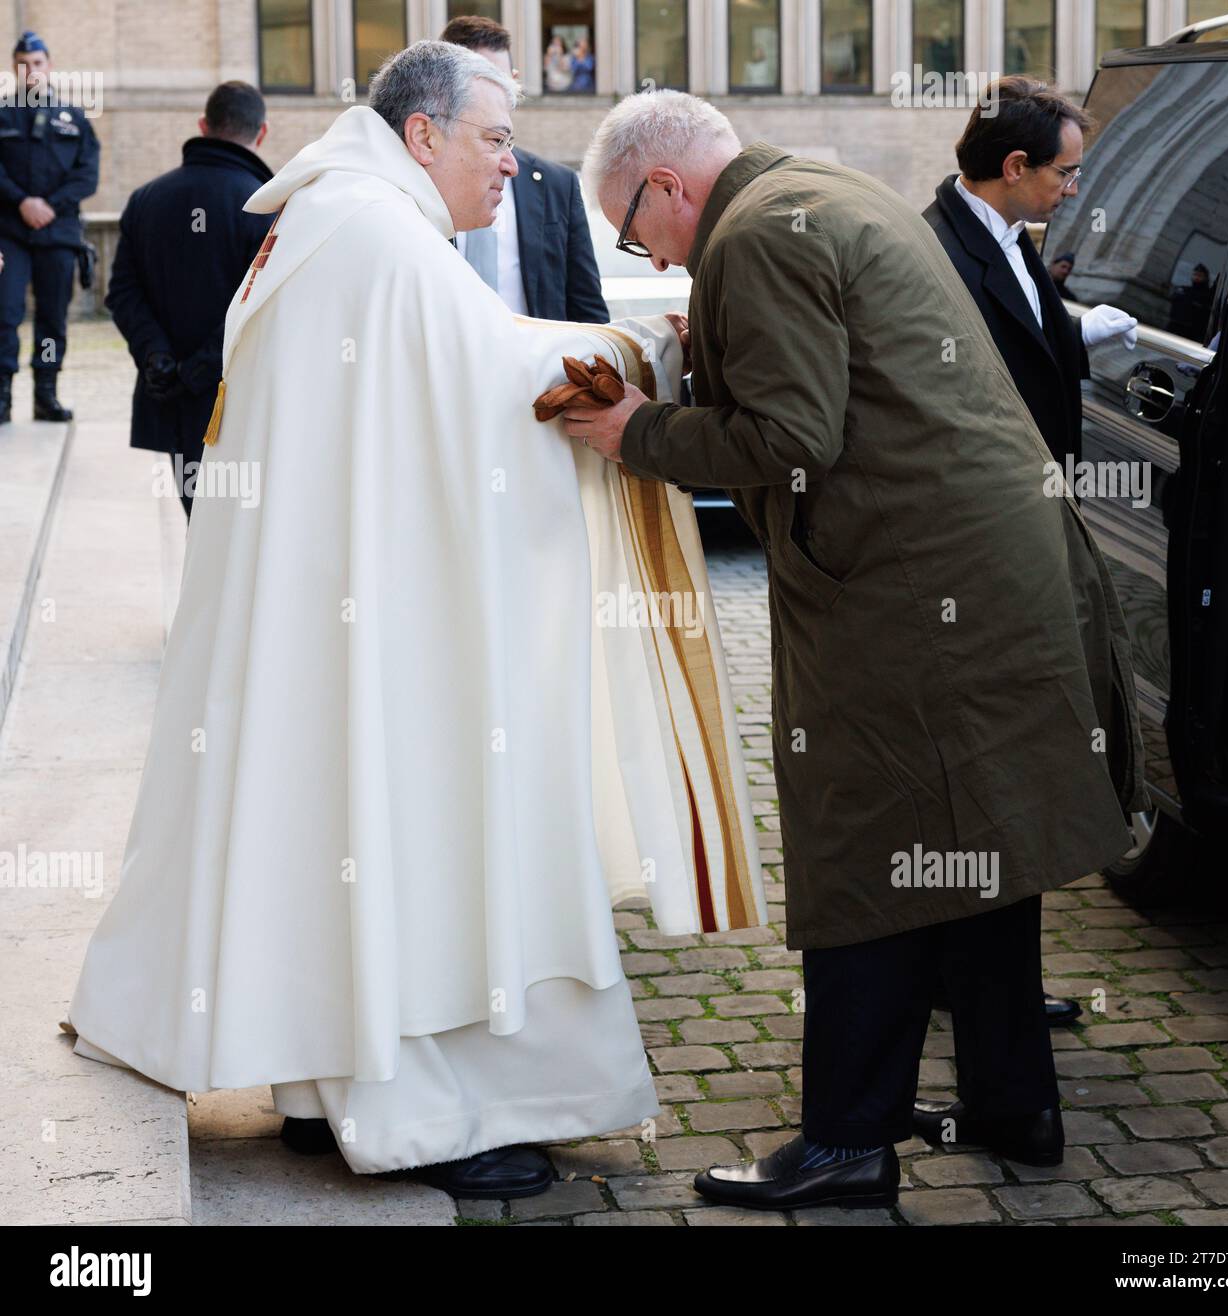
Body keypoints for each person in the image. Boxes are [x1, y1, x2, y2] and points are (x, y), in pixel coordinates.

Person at [64, 43, 764, 1200]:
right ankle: (412, 1104)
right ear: (422, 134)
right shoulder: (380, 236)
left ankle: (319, 1084)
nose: (509, 168)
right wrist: (648, 350)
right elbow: (490, 384)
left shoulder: (335, 219)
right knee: (400, 832)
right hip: (373, 618)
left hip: (334, 602)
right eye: (494, 141)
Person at [568, 90, 1147, 1210]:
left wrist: (630, 431)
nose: (650, 255)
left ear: (667, 187)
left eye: (637, 234)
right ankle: (1011, 1102)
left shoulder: (747, 242)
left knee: (868, 850)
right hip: (987, 575)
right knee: (981, 844)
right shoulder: (820, 191)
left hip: (912, 594)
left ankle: (847, 1139)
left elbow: (787, 440)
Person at [922, 78, 1140, 1027]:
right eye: (1065, 172)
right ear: (1013, 169)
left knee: (1021, 774)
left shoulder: (1010, 241)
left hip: (1031, 534)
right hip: (984, 554)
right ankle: (971, 987)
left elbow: (1038, 346)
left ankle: (997, 982)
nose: (1072, 190)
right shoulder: (940, 252)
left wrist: (1081, 334)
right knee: (986, 778)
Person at [106, 82, 274, 519]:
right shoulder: (267, 208)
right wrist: (200, 369)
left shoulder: (146, 199)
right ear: (262, 133)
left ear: (203, 125)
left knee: (198, 525)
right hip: (243, 404)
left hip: (174, 402)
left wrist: (157, 354)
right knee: (242, 540)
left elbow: (123, 291)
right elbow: (261, 306)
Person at [441, 15, 606, 322]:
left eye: (500, 82)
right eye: (475, 84)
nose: (490, 97)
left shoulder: (559, 185)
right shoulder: (418, 187)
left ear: (514, 82)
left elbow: (588, 314)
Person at [0, 29, 99, 424]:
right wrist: (22, 202)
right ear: (14, 68)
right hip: (9, 232)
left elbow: (87, 176)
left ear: (49, 66)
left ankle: (46, 393)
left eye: (37, 64)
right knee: (5, 314)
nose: (30, 71)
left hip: (57, 233)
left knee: (51, 315)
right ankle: (3, 395)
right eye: (22, 65)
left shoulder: (74, 118)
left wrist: (47, 206)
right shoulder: (1, 115)